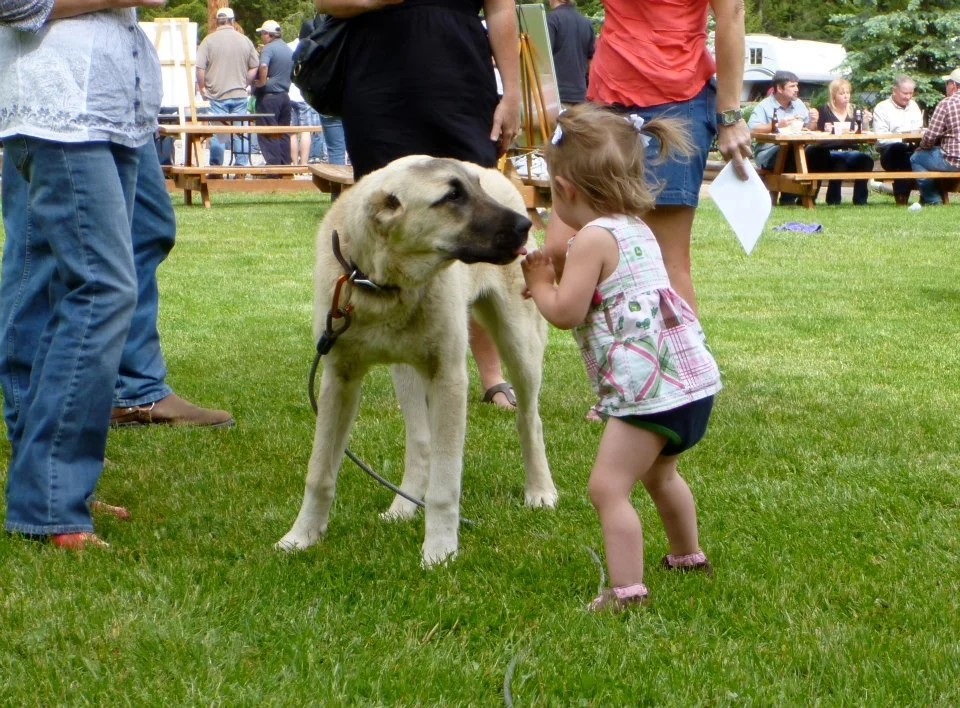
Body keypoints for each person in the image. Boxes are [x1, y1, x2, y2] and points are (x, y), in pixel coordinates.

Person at [521, 105, 720, 611]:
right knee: (662, 475)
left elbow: (565, 312)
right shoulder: (636, 228)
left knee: (607, 488)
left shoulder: (591, 237)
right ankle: (687, 555)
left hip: (646, 393)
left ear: (565, 190)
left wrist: (542, 284)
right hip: (688, 387)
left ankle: (626, 591)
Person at [0, 0, 163, 549]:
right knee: (103, 288)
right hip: (59, 104)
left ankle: (46, 486)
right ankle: (50, 501)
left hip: (112, 106)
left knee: (65, 288)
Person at [321, 0, 522, 410]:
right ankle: (413, 371)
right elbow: (329, 3)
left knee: (476, 229)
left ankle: (491, 375)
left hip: (463, 83)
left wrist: (513, 93)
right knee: (394, 235)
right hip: (380, 88)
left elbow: (501, 9)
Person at [543, 0, 753, 317]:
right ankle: (622, 341)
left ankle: (684, 362)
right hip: (604, 101)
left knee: (666, 261)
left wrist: (730, 114)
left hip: (675, 100)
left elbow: (732, 13)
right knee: (559, 248)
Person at [195, 7, 260, 167]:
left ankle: (216, 167)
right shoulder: (245, 40)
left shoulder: (208, 41)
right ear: (232, 21)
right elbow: (255, 66)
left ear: (217, 21)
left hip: (216, 95)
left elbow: (200, 69)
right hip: (239, 94)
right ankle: (241, 167)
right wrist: (245, 83)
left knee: (218, 134)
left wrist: (203, 88)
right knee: (240, 133)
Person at [747, 70, 823, 205]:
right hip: (769, 153)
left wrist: (812, 122)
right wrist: (776, 125)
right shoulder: (765, 106)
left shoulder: (798, 104)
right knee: (790, 150)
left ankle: (807, 198)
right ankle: (788, 199)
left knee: (819, 152)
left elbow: (808, 128)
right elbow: (752, 129)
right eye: (792, 86)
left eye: (797, 85)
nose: (797, 89)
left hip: (796, 148)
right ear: (779, 88)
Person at [814, 78, 874, 206]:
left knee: (866, 160)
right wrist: (826, 130)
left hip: (851, 150)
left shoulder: (854, 110)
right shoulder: (824, 110)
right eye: (842, 93)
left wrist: (865, 121)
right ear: (833, 95)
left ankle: (860, 200)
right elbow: (815, 132)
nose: (846, 96)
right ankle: (834, 200)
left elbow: (863, 131)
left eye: (847, 93)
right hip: (830, 150)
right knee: (838, 163)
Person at [872, 74, 924, 206]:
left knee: (923, 152)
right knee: (900, 150)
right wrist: (902, 138)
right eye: (905, 93)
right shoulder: (882, 108)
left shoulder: (914, 106)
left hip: (912, 148)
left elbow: (918, 129)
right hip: (890, 152)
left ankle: (927, 196)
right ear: (894, 90)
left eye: (911, 93)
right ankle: (902, 197)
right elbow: (881, 138)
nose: (908, 97)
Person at [910, 69, 960, 206]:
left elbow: (931, 136)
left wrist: (921, 147)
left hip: (953, 160)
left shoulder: (947, 103)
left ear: (953, 85)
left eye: (947, 83)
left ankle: (933, 199)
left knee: (917, 158)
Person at [252, 20, 294, 166]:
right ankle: (285, 166)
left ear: (267, 34)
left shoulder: (268, 49)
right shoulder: (287, 49)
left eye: (262, 34)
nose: (261, 37)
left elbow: (263, 65)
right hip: (284, 96)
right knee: (283, 133)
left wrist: (262, 82)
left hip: (269, 98)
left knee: (268, 132)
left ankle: (273, 167)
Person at [547, 0, 595, 108]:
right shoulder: (586, 23)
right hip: (581, 96)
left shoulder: (551, 19)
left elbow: (543, 58)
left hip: (556, 96)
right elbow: (591, 63)